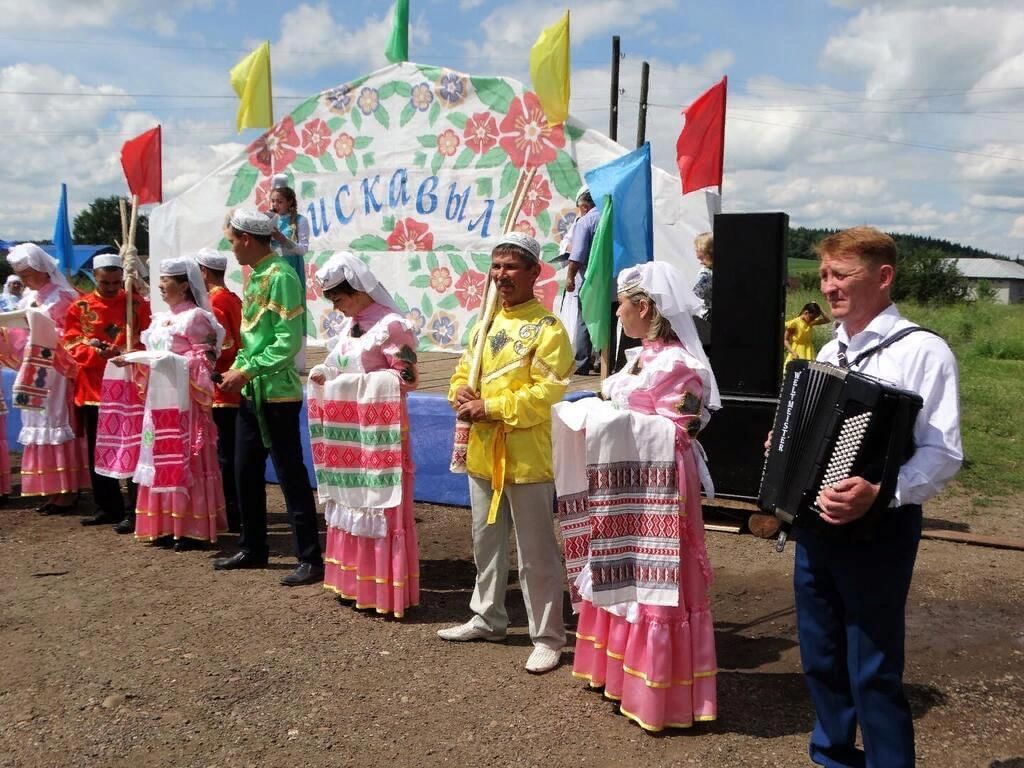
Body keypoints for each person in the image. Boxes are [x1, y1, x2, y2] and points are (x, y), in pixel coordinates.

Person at [793, 227, 962, 768]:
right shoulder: (829, 347)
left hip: (879, 529)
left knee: (872, 664)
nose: (829, 286)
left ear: (883, 276)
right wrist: (788, 445)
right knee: (820, 655)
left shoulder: (923, 351)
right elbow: (814, 436)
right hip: (817, 524)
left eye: (841, 275)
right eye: (824, 275)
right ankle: (833, 756)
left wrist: (883, 492)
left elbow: (943, 452)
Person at [555, 261, 721, 732]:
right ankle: (621, 671)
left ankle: (659, 686)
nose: (618, 313)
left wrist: (608, 419)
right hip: (629, 477)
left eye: (621, 304)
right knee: (617, 558)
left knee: (658, 573)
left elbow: (682, 431)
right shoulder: (638, 357)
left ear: (644, 306)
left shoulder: (679, 365)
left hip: (661, 481)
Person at [437, 232, 574, 674]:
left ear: (536, 272)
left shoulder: (549, 329)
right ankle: (488, 617)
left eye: (511, 267)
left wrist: (491, 406)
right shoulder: (484, 323)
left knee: (536, 552)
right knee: (486, 542)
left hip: (528, 456)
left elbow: (548, 392)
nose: (501, 275)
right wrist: (459, 390)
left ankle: (548, 635)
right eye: (496, 267)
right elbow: (462, 371)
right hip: (482, 453)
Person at [212, 209, 324, 587]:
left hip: (277, 393)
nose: (231, 249)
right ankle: (253, 546)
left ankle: (310, 558)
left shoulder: (282, 276)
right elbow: (252, 339)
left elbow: (288, 340)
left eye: (232, 241)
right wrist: (238, 372)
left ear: (246, 238)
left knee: (291, 474)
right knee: (245, 472)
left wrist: (248, 369)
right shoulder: (257, 275)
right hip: (251, 388)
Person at [307, 252, 420, 617]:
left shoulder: (392, 326)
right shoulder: (350, 326)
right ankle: (355, 582)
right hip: (350, 432)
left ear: (356, 289)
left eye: (339, 299)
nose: (337, 308)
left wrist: (353, 383)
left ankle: (385, 589)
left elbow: (408, 378)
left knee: (378, 503)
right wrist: (325, 373)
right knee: (352, 499)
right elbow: (338, 364)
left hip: (377, 433)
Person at [113, 256, 227, 550]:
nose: (161, 287)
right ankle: (163, 524)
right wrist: (132, 359)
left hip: (183, 403)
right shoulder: (160, 319)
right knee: (157, 453)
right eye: (160, 282)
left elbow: (206, 359)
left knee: (182, 454)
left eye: (166, 282)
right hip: (158, 400)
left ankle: (189, 527)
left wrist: (172, 361)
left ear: (185, 286)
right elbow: (152, 354)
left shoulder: (196, 318)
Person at [64, 253, 151, 531]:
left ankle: (133, 508)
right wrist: (99, 353)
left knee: (130, 446)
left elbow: (149, 338)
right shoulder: (80, 307)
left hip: (128, 385)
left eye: (116, 282)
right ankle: (107, 505)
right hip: (94, 387)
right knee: (98, 449)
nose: (112, 287)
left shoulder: (136, 304)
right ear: (95, 277)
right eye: (106, 282)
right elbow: (71, 343)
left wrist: (128, 353)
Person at [0, 244, 89, 513]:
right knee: (35, 419)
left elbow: (74, 333)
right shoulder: (29, 297)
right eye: (22, 276)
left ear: (41, 269)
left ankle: (68, 489)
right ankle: (51, 488)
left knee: (55, 421)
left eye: (28, 274)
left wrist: (42, 331)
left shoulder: (62, 297)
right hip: (35, 367)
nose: (25, 280)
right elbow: (19, 334)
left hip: (56, 369)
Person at [196, 248, 243, 533]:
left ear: (203, 272)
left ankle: (232, 512)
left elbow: (224, 346)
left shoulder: (214, 303)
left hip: (222, 387)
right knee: (231, 453)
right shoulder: (234, 298)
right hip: (234, 384)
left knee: (226, 454)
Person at [564, 186, 599, 375]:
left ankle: (582, 363)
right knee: (608, 320)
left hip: (589, 280)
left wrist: (569, 277)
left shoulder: (586, 221)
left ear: (584, 207)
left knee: (584, 319)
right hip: (612, 280)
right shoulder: (611, 217)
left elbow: (577, 255)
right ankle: (603, 361)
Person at [783, 301, 829, 368]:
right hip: (797, 351)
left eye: (814, 318)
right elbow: (785, 340)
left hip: (809, 351)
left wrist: (818, 306)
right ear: (806, 312)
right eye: (811, 317)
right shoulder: (795, 323)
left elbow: (827, 320)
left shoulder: (810, 322)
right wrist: (793, 352)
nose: (813, 320)